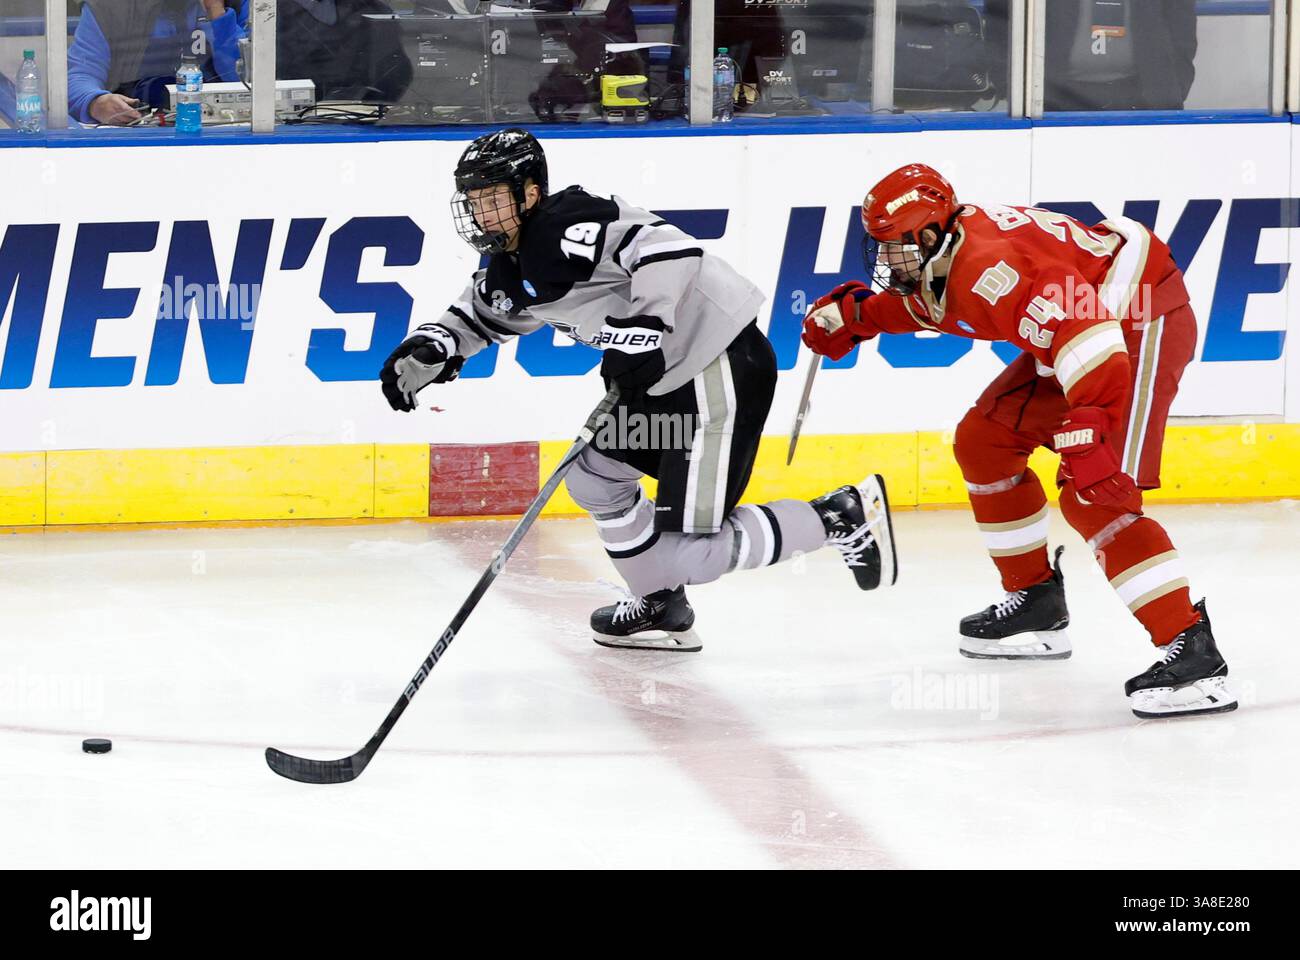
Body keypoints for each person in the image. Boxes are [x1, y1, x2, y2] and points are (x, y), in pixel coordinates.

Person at [380, 128, 898, 650]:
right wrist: (432, 346)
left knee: (693, 552)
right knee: (593, 477)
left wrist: (647, 326)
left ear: (530, 193)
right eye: (473, 201)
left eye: (492, 199)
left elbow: (671, 249)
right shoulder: (509, 267)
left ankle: (837, 515)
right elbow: (482, 314)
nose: (481, 214)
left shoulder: (569, 224)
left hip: (715, 368)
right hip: (660, 381)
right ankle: (659, 601)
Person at [801, 163, 1235, 719]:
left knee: (1094, 488)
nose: (885, 261)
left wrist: (1092, 419)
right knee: (985, 441)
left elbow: (1087, 333)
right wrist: (860, 314)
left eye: (892, 249)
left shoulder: (990, 268)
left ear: (929, 235)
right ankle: (1036, 600)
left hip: (1137, 324)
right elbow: (946, 304)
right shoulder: (952, 255)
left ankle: (1194, 652)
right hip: (1086, 329)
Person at [68, 0, 249, 126]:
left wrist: (217, 14)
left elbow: (252, 80)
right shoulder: (109, 8)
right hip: (134, 132)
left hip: (224, 131)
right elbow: (79, 75)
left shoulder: (238, 4)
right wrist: (95, 102)